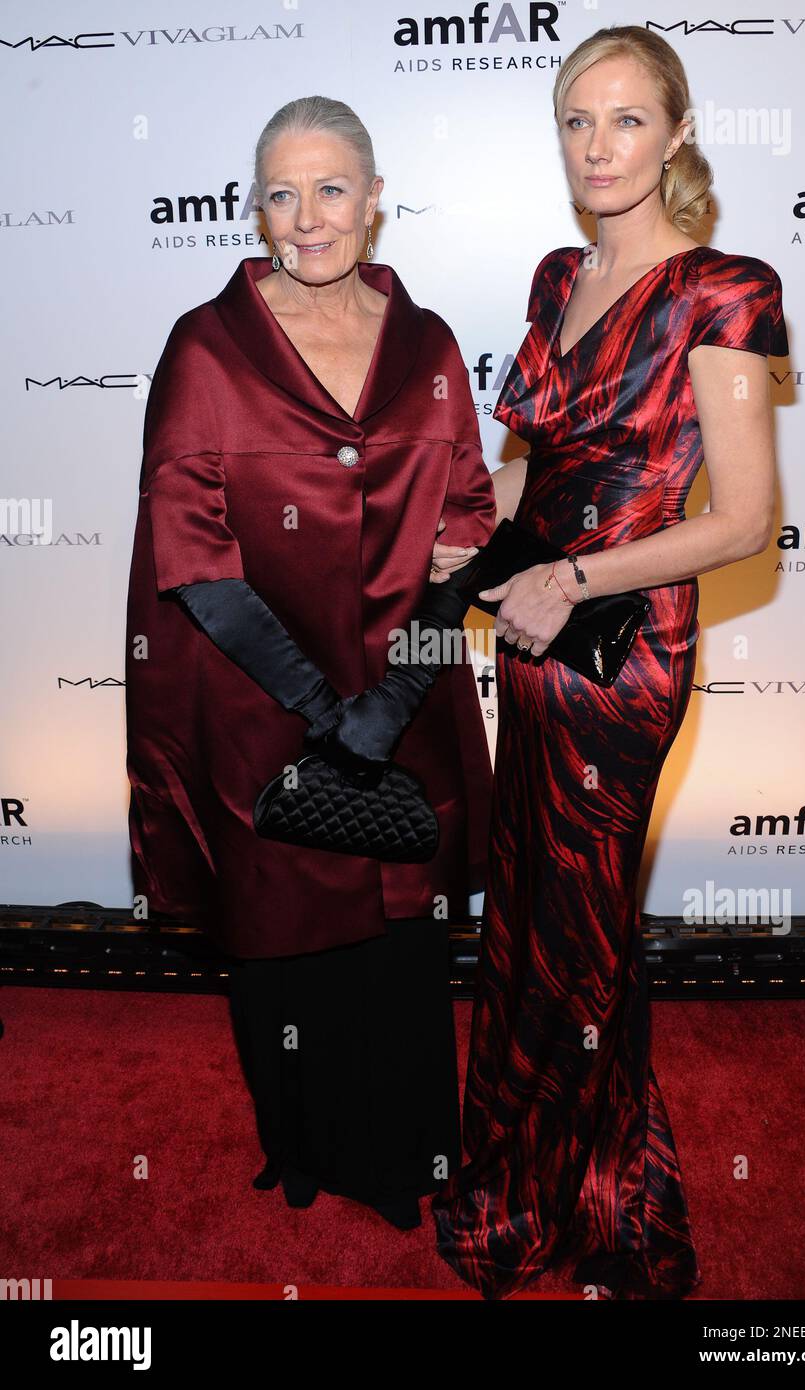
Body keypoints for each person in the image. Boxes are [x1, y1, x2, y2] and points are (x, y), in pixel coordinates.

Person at [430, 26, 789, 1297]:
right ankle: (525, 1177)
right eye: (575, 120)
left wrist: (572, 575)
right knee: (531, 911)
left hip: (623, 649)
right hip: (535, 632)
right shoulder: (555, 276)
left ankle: (605, 1203)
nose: (596, 146)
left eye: (625, 120)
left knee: (579, 925)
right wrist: (474, 555)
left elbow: (744, 519)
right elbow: (538, 471)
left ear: (677, 133)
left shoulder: (720, 289)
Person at [124, 96, 497, 1230]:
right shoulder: (207, 346)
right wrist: (327, 711)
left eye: (331, 188)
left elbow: (469, 532)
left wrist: (388, 702)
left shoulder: (428, 349)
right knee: (283, 943)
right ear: (256, 208)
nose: (307, 218)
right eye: (280, 193)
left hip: (408, 706)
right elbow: (193, 559)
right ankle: (300, 1141)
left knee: (395, 945)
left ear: (375, 199)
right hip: (262, 710)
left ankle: (399, 1158)